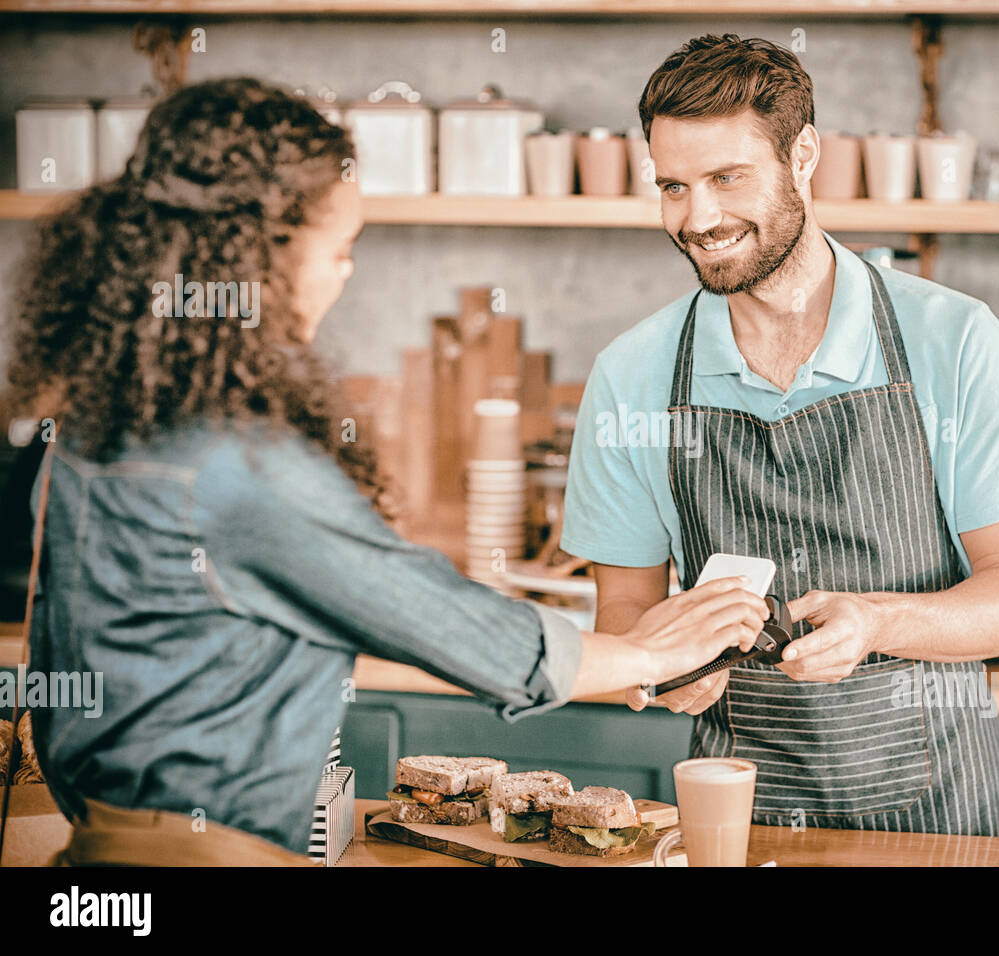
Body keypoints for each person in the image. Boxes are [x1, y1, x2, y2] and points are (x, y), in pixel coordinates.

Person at [3, 77, 767, 864]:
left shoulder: (102, 424)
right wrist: (647, 654)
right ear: (260, 257)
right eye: (337, 249)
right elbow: (441, 621)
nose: (343, 276)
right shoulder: (237, 469)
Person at [561, 35, 999, 837]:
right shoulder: (632, 376)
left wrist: (877, 622)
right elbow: (626, 613)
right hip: (742, 813)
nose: (699, 219)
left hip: (945, 811)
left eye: (728, 178)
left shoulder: (953, 339)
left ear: (804, 156)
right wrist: (658, 666)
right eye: (673, 187)